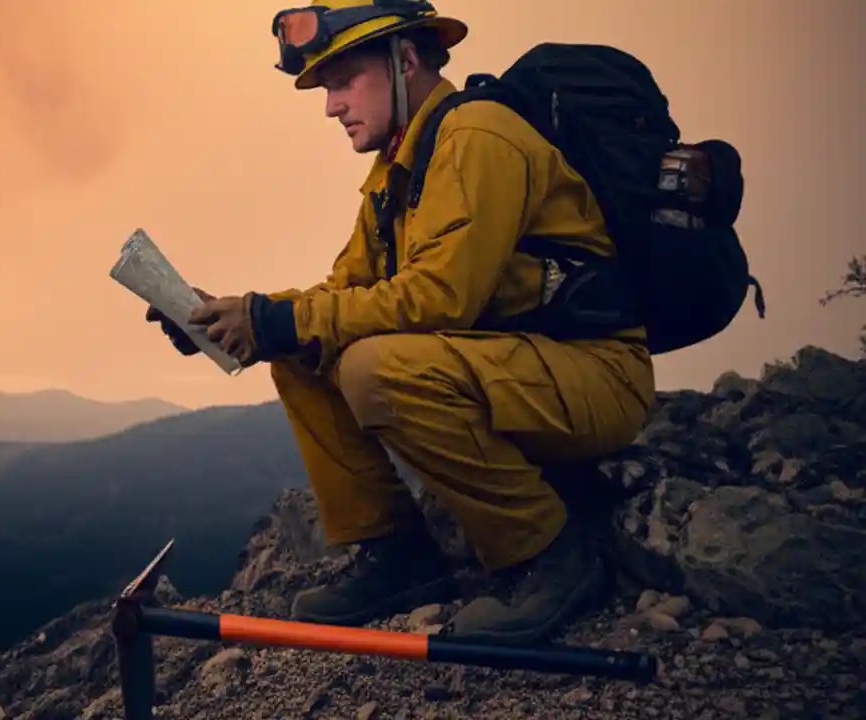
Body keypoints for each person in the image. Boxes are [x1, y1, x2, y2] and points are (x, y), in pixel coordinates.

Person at [145, 0, 655, 645]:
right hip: (519, 363)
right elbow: (345, 294)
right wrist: (231, 316)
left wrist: (275, 318)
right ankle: (398, 554)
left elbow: (440, 298)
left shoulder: (478, 138)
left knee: (369, 364)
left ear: (405, 59)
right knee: (303, 348)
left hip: (595, 374)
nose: (331, 106)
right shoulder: (399, 165)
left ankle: (550, 555)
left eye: (342, 81)